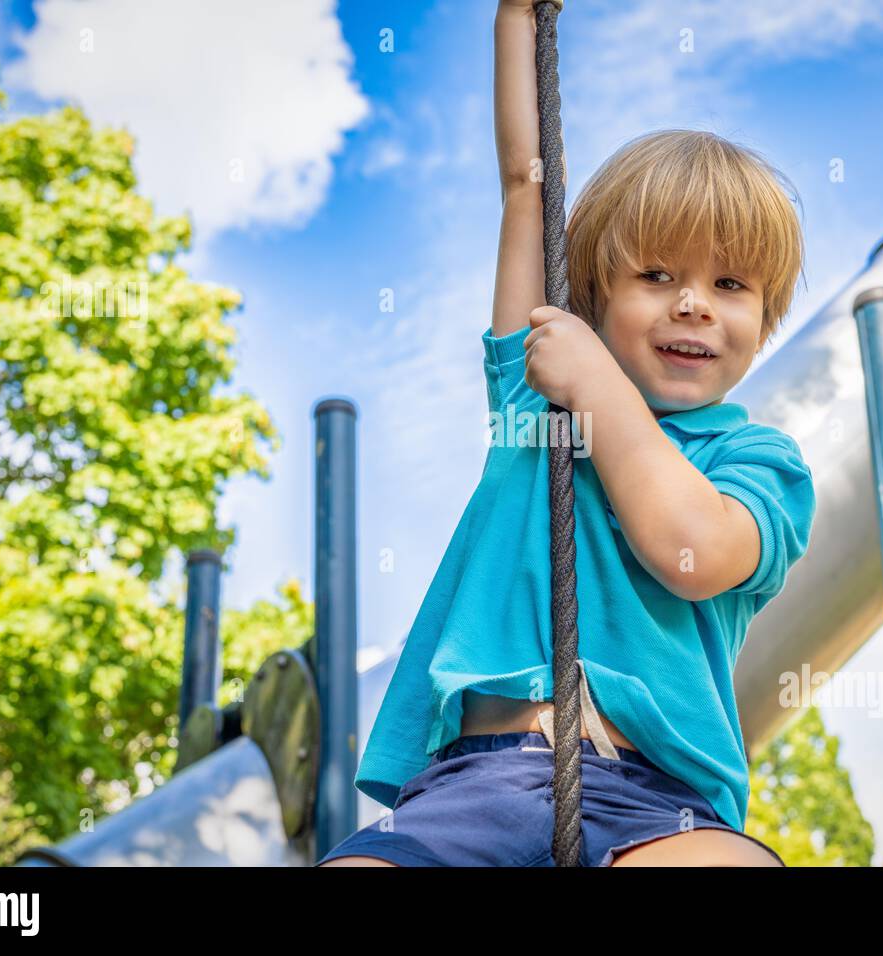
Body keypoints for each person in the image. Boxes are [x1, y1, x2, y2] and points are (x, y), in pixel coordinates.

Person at [321, 0, 815, 867]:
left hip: (658, 799)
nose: (694, 302)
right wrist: (518, 17)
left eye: (730, 283)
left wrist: (597, 385)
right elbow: (527, 181)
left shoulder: (756, 462)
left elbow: (689, 550)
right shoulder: (536, 407)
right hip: (474, 784)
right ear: (591, 298)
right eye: (657, 275)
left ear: (767, 317)